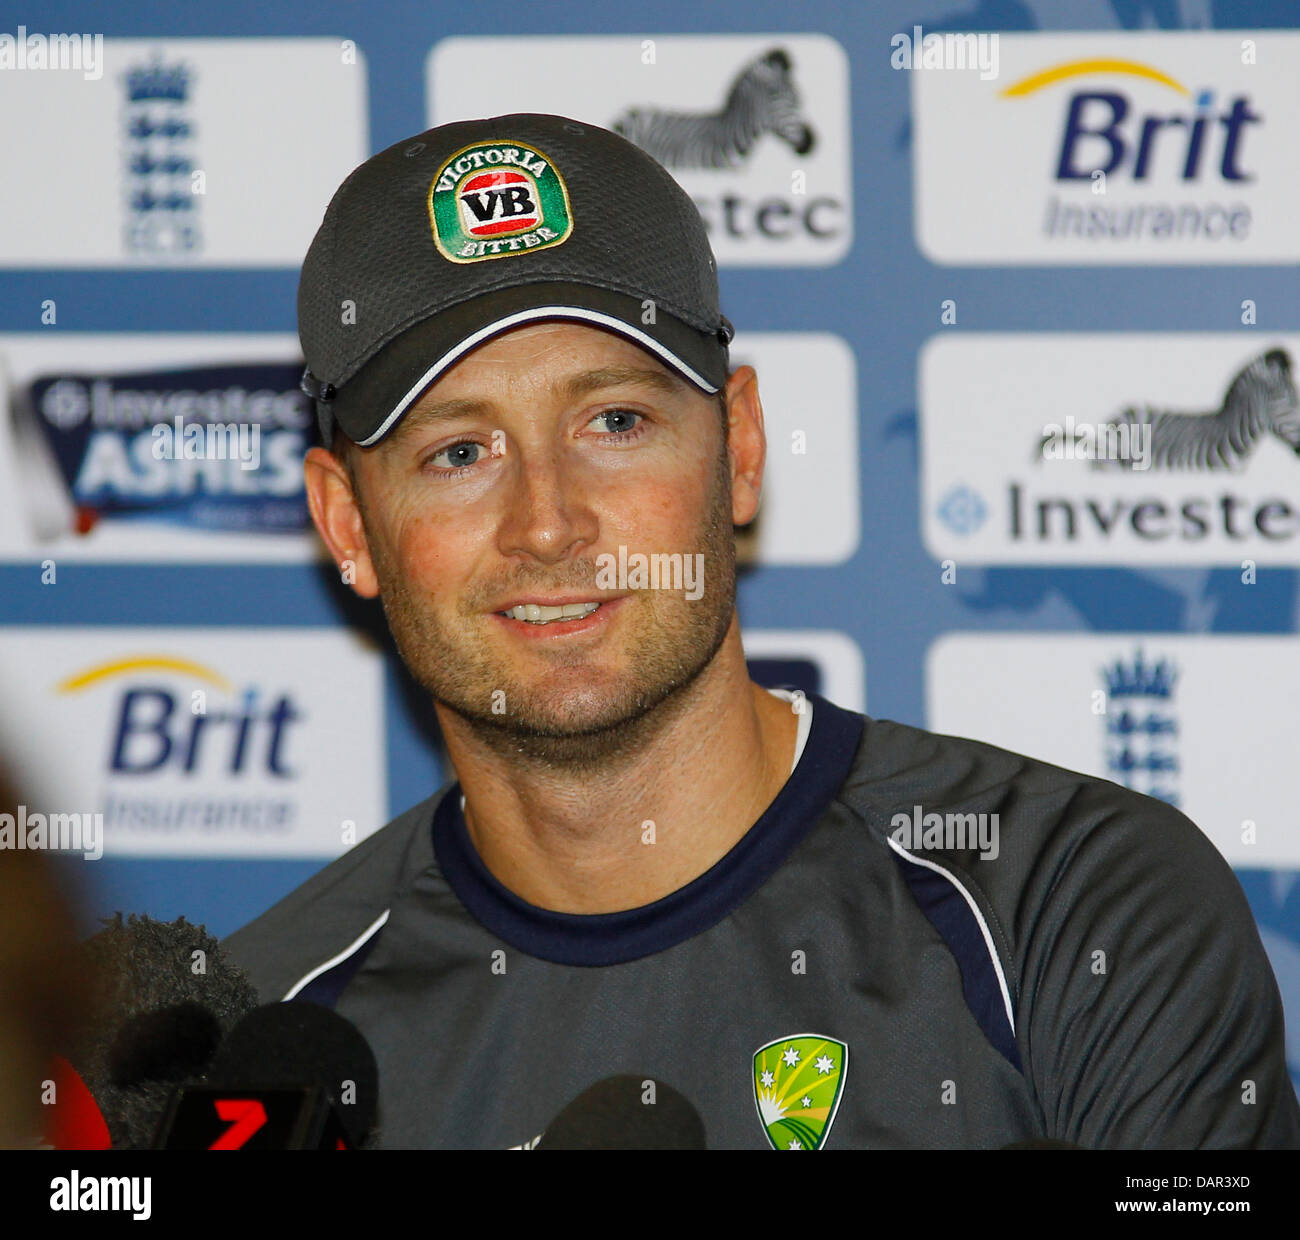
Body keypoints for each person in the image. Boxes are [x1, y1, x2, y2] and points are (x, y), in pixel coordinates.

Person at [223, 113, 1300, 1150]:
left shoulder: (1078, 907)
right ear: (347, 523)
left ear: (738, 447)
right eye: (458, 452)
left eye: (615, 421)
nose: (546, 522)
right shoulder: (269, 1050)